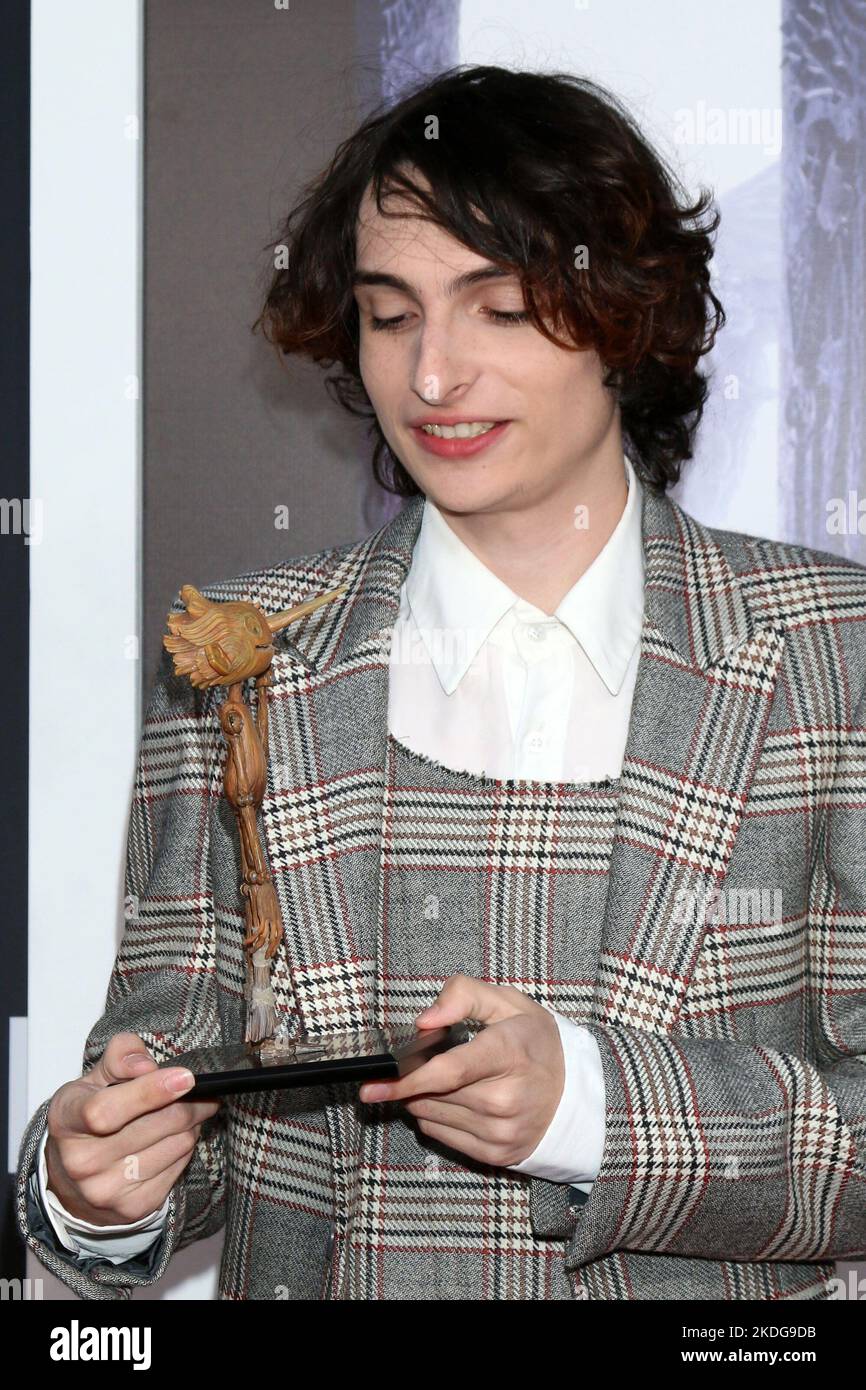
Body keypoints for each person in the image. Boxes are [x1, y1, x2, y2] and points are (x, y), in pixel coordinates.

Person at [17, 65, 866, 1301]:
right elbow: (167, 1096)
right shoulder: (237, 657)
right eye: (389, 313)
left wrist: (591, 1104)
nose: (430, 377)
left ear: (625, 318)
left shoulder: (830, 654)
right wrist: (91, 1187)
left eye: (501, 309)